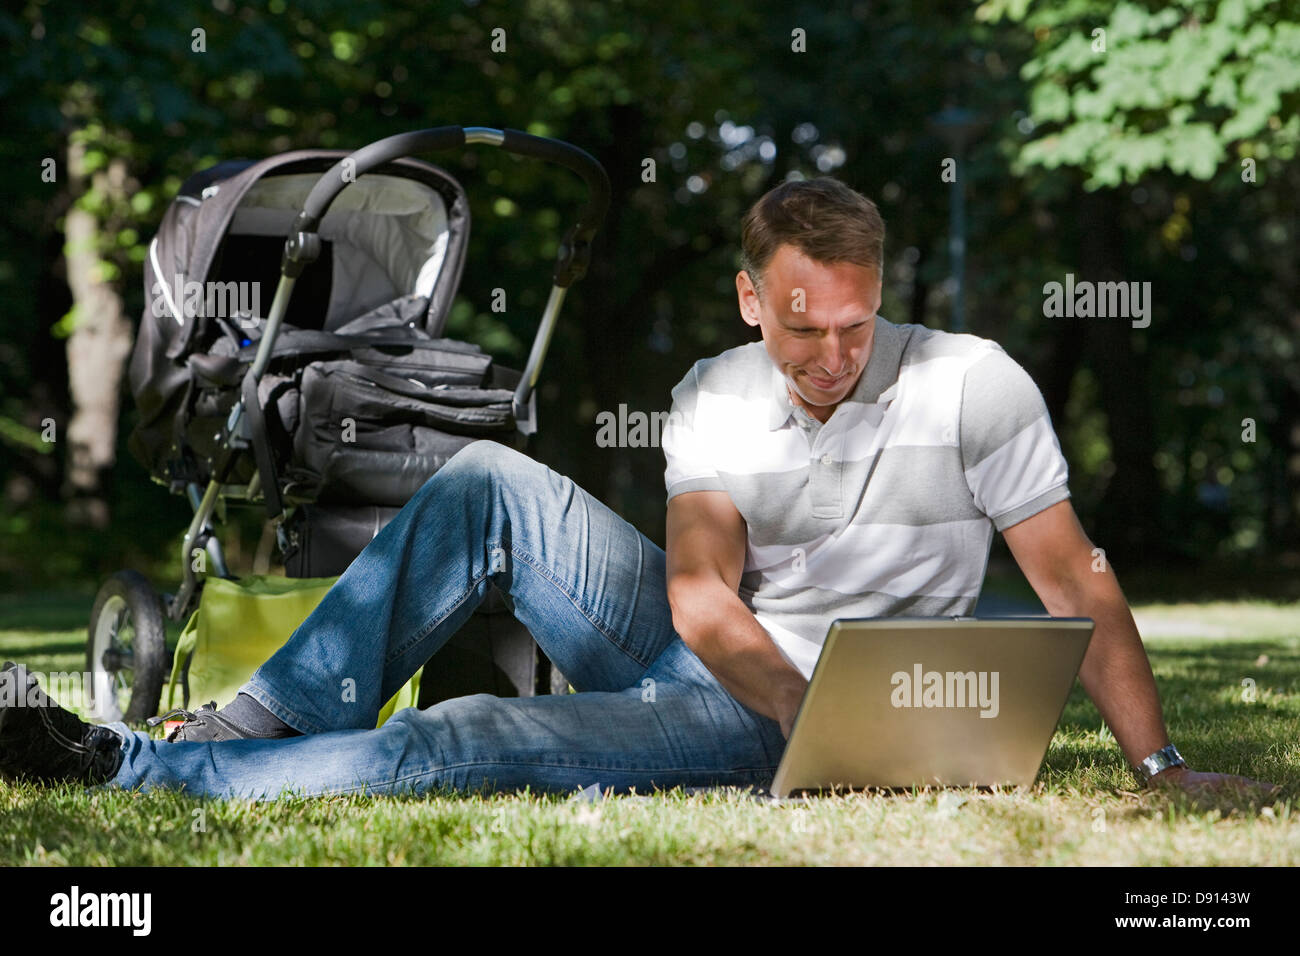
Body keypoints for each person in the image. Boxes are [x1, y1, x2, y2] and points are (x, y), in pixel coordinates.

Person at [0, 177, 1277, 803]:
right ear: (747, 297)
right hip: (729, 670)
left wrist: (1157, 763)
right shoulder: (717, 390)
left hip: (793, 709)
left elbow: (1074, 575)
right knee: (488, 477)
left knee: (464, 739)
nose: (833, 356)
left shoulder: (973, 383)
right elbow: (701, 595)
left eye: (856, 325)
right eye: (800, 327)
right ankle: (235, 727)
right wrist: (801, 728)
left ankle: (136, 772)